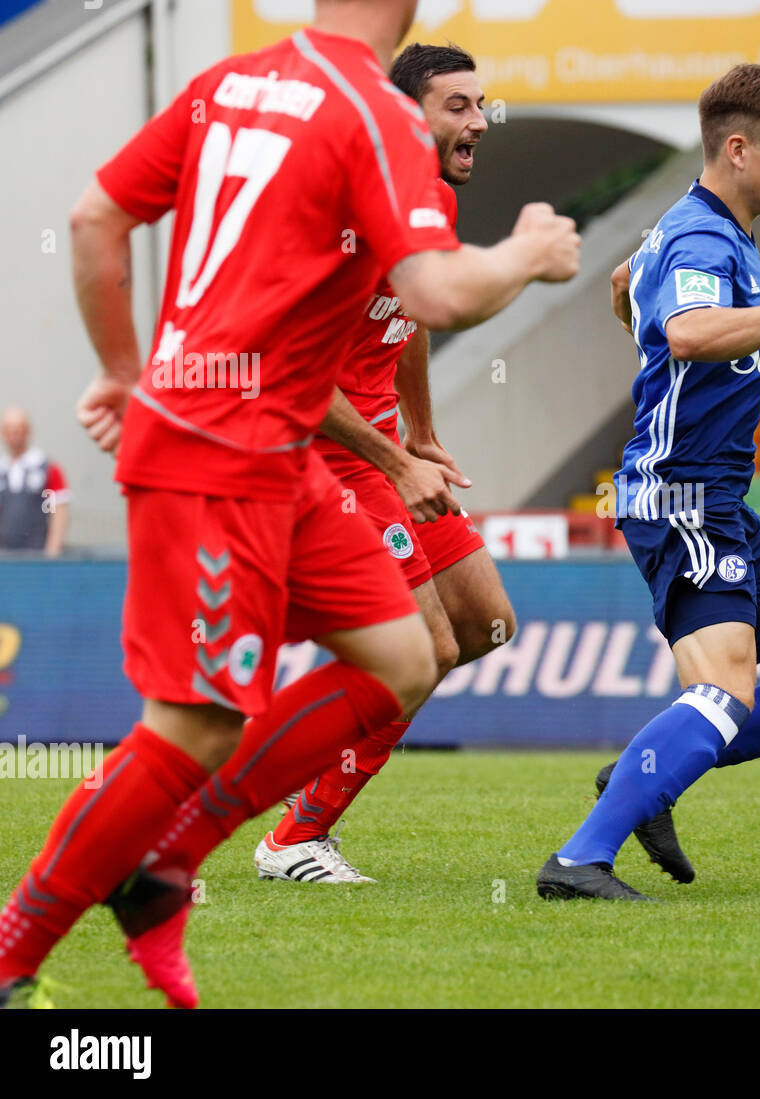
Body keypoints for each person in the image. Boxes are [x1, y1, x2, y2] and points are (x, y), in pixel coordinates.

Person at [0, 0, 578, 1010]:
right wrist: (530, 252)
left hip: (277, 446)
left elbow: (97, 220)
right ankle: (15, 947)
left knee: (404, 660)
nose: (476, 120)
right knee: (194, 730)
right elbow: (437, 293)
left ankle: (166, 868)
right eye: (463, 104)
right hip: (219, 452)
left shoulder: (232, 81)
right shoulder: (374, 110)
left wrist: (122, 370)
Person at [535, 63, 760, 902]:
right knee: (723, 690)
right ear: (738, 148)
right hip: (680, 496)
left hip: (722, 500)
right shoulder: (700, 237)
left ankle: (649, 764)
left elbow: (646, 315)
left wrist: (631, 304)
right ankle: (580, 859)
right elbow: (688, 335)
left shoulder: (711, 233)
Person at [255, 42, 520, 884]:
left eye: (481, 104)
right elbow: (286, 374)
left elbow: (414, 309)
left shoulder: (430, 202)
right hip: (323, 455)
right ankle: (294, 837)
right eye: (458, 106)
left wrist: (421, 432)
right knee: (428, 647)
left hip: (383, 451)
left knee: (483, 622)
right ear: (407, 114)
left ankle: (345, 690)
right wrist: (389, 459)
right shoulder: (343, 213)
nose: (478, 121)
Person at [0, 406, 70, 556]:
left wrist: (52, 551)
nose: (14, 436)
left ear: (28, 431)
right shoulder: (2, 470)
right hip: (5, 555)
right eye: (9, 430)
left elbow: (57, 511)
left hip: (36, 554)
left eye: (18, 430)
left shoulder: (47, 469)